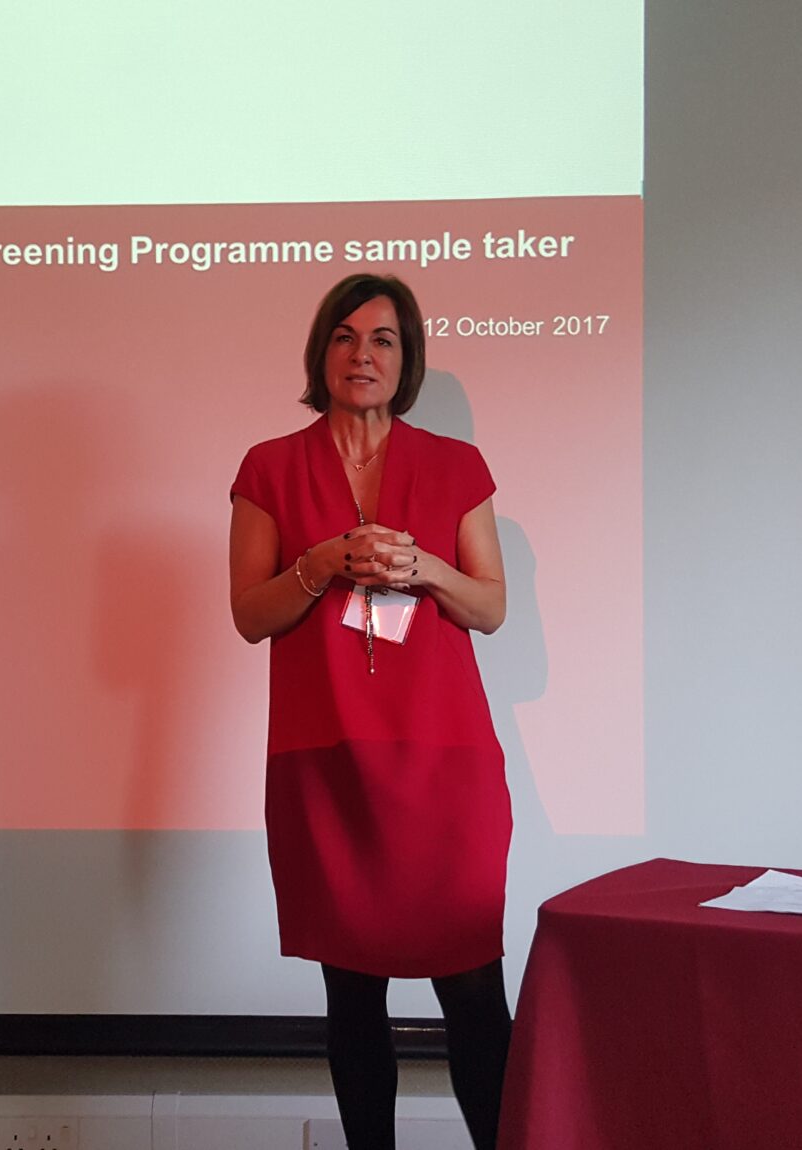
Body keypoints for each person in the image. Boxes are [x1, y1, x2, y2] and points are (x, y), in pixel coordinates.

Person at [227, 273, 513, 1150]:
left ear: (405, 358)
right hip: (327, 763)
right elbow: (250, 615)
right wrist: (320, 565)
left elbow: (490, 606)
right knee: (351, 993)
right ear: (322, 353)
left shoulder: (456, 465)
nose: (363, 354)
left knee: (474, 990)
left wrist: (422, 567)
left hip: (445, 764)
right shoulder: (269, 466)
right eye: (345, 337)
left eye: (383, 339)